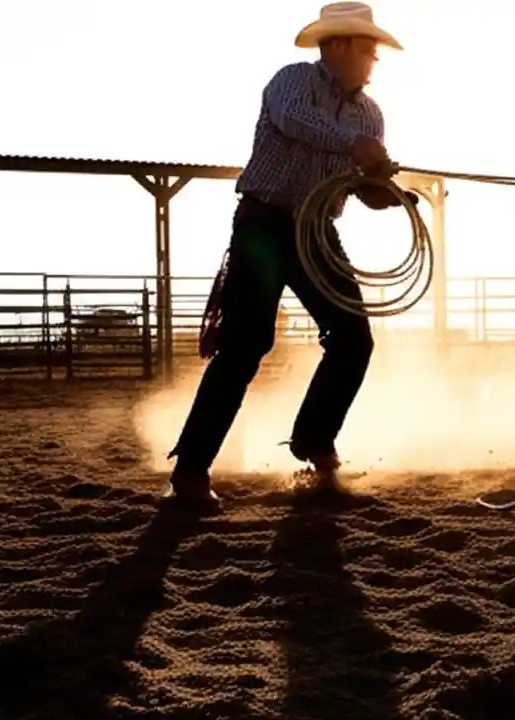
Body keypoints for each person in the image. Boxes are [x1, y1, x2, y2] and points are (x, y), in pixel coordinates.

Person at [163, 2, 409, 514]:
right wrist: (356, 146)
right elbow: (295, 120)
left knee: (353, 337)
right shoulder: (292, 81)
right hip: (265, 223)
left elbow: (365, 190)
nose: (375, 60)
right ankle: (190, 470)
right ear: (338, 45)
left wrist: (384, 182)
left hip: (317, 230)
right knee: (246, 345)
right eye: (369, 48)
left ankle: (314, 441)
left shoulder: (370, 115)